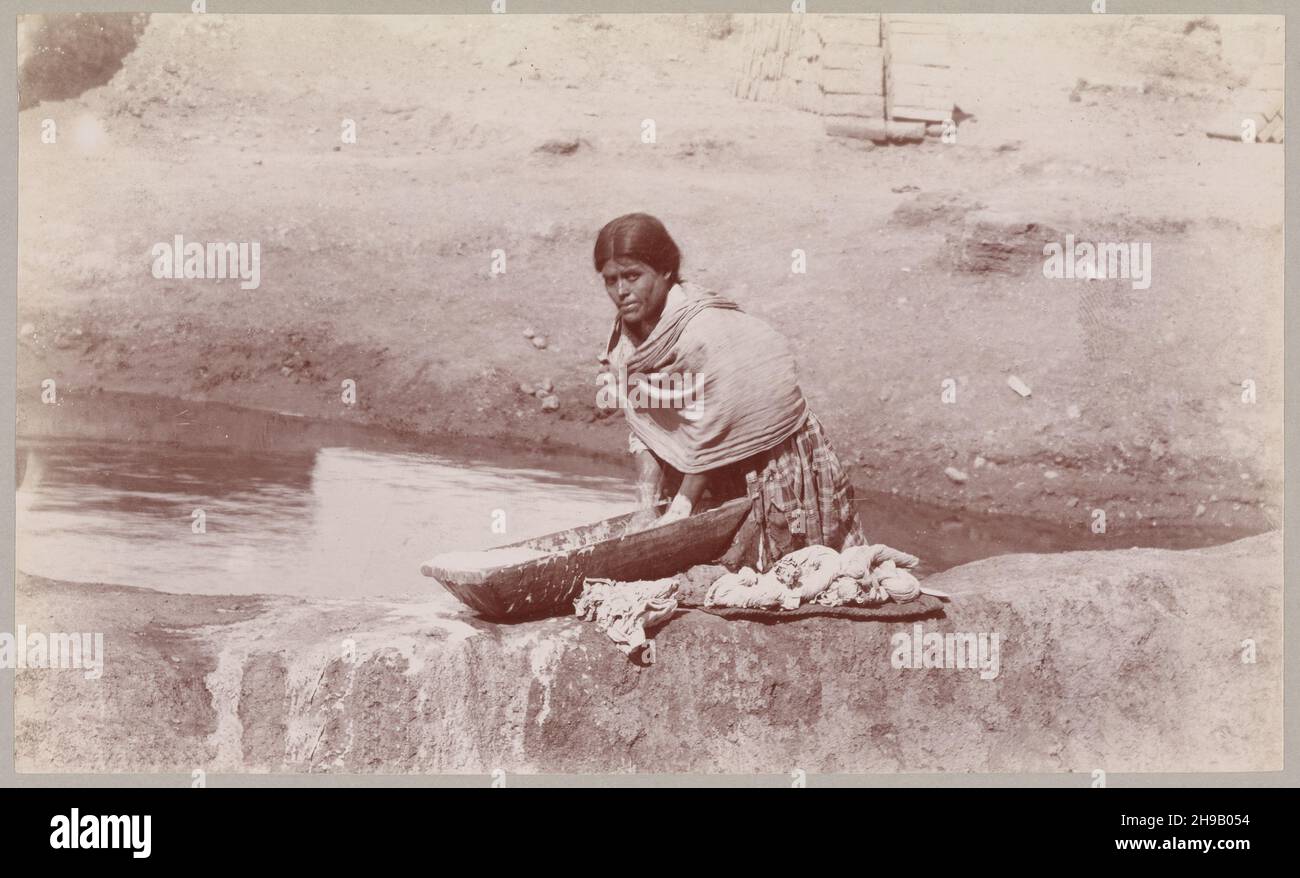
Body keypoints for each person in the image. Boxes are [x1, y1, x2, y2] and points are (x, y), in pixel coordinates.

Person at [594, 212, 866, 571]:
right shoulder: (628, 338)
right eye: (611, 280)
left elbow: (717, 428)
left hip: (767, 458)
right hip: (698, 463)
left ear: (665, 271)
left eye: (633, 276)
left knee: (786, 574)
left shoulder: (704, 332)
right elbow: (647, 425)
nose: (621, 291)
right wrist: (645, 506)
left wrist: (681, 507)